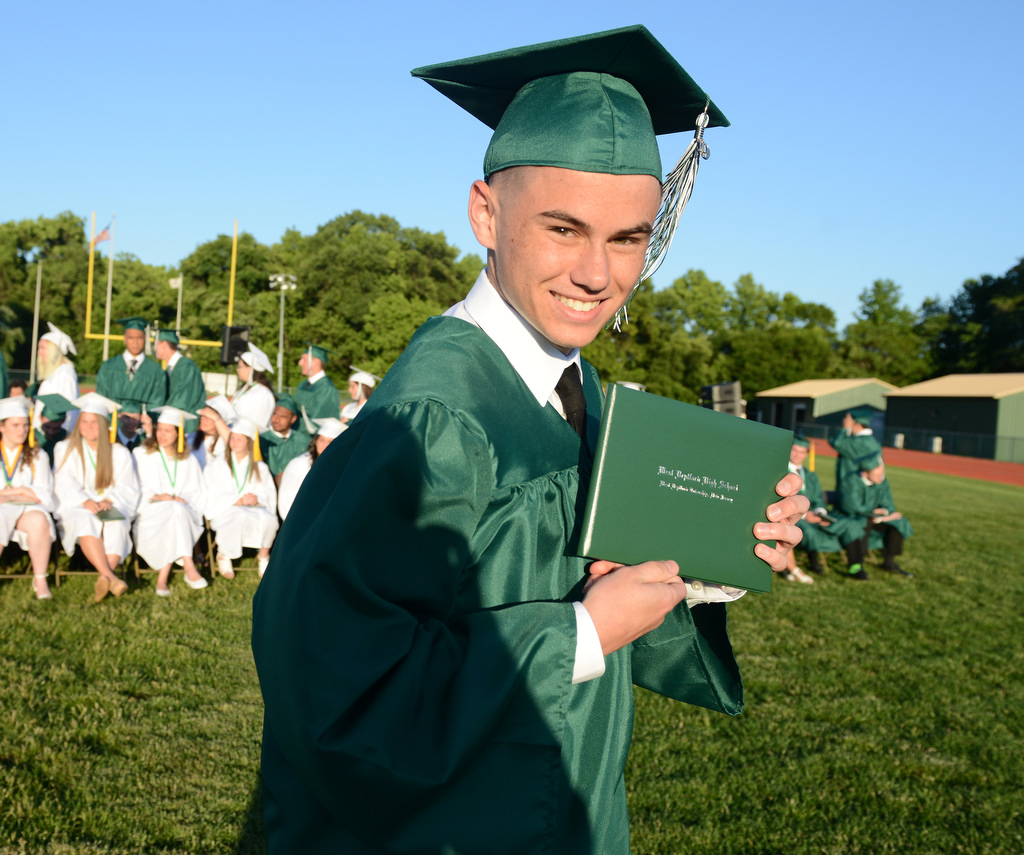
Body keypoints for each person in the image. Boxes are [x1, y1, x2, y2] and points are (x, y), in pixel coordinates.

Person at [252, 26, 807, 855]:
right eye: (563, 228)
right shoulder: (437, 419)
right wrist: (582, 633)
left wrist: (714, 554)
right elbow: (337, 688)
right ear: (484, 212)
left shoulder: (583, 399)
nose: (597, 273)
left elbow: (589, 581)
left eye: (628, 239)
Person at [54, 393, 140, 602]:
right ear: (78, 423)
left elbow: (128, 486)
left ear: (104, 425)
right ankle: (111, 577)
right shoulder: (64, 448)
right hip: (77, 505)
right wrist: (84, 501)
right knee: (86, 519)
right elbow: (63, 481)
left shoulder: (118, 452)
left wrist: (109, 500)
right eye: (84, 421)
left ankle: (105, 577)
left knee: (117, 523)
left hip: (109, 503)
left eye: (94, 422)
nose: (89, 426)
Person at [132, 407, 209, 596]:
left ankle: (162, 578)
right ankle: (189, 566)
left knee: (176, 509)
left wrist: (180, 499)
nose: (161, 435)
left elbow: (197, 491)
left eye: (168, 431)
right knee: (174, 510)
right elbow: (134, 486)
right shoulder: (141, 454)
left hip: (181, 510)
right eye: (159, 429)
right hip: (151, 510)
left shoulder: (188, 459)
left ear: (178, 433)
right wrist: (158, 497)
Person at [204, 417, 278, 579]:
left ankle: (263, 555)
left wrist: (257, 498)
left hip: (254, 507)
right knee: (238, 515)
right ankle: (224, 553)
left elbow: (269, 493)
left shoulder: (260, 467)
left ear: (249, 442)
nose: (234, 442)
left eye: (239, 439)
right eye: (232, 438)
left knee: (270, 520)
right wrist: (238, 501)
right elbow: (212, 490)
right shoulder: (218, 464)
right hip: (226, 508)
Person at [0, 397, 58, 600]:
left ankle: (40, 578)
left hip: (27, 509)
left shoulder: (37, 455)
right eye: (15, 425)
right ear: (2, 427)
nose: (21, 430)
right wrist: (23, 491)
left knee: (40, 521)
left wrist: (15, 492)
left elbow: (46, 495)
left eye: (25, 425)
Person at [833, 452, 914, 581]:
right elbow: (852, 506)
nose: (881, 478)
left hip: (876, 518)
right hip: (852, 517)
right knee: (864, 522)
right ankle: (856, 565)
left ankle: (889, 562)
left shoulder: (882, 481)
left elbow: (888, 504)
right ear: (865, 473)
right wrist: (873, 512)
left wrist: (886, 513)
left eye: (882, 473)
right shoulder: (850, 481)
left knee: (898, 523)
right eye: (877, 474)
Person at [784, 436, 841, 582]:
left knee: (836, 526)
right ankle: (809, 565)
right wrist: (804, 516)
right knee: (807, 531)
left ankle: (806, 564)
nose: (797, 455)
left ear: (807, 454)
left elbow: (818, 499)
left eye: (802, 452)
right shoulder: (782, 470)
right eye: (794, 450)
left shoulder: (810, 475)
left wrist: (820, 513)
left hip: (813, 515)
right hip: (793, 517)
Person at [95, 317, 167, 420]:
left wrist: (140, 418)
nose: (135, 342)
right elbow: (101, 398)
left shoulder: (155, 370)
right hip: (112, 425)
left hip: (142, 427)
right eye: (131, 338)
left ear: (145, 338)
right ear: (124, 338)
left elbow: (157, 402)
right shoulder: (108, 366)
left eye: (139, 338)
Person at [276, 418, 345, 521]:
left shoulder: (342, 464)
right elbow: (288, 497)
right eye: (322, 440)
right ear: (316, 441)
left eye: (330, 441)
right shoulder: (300, 463)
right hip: (302, 517)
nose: (325, 445)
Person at [155, 329, 206, 435]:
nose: (153, 348)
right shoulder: (171, 368)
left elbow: (182, 400)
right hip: (174, 423)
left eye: (155, 344)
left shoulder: (187, 367)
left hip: (186, 425)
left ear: (164, 344)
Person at [32, 322, 80, 433]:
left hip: (54, 435)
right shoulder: (54, 374)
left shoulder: (65, 375)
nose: (39, 352)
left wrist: (61, 437)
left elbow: (69, 413)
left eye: (43, 348)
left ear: (55, 350)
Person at [830, 406, 882, 495]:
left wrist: (846, 428)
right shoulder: (872, 441)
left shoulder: (860, 442)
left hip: (854, 487)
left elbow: (837, 443)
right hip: (863, 487)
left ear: (857, 424)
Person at [259, 394, 309, 484]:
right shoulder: (262, 440)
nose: (276, 419)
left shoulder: (303, 441)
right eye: (274, 414)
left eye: (283, 416)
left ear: (293, 419)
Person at [231, 343, 276, 432]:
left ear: (250, 369)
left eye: (240, 366)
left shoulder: (263, 393)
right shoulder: (245, 388)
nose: (237, 369)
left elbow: (257, 424)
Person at [293, 342, 341, 424]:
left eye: (304, 359)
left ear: (316, 362)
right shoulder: (303, 384)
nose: (300, 363)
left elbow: (316, 423)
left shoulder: (327, 389)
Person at [193, 395, 235, 469]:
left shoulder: (221, 442)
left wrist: (215, 417)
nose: (205, 420)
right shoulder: (191, 438)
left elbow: (231, 442)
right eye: (203, 416)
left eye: (210, 418)